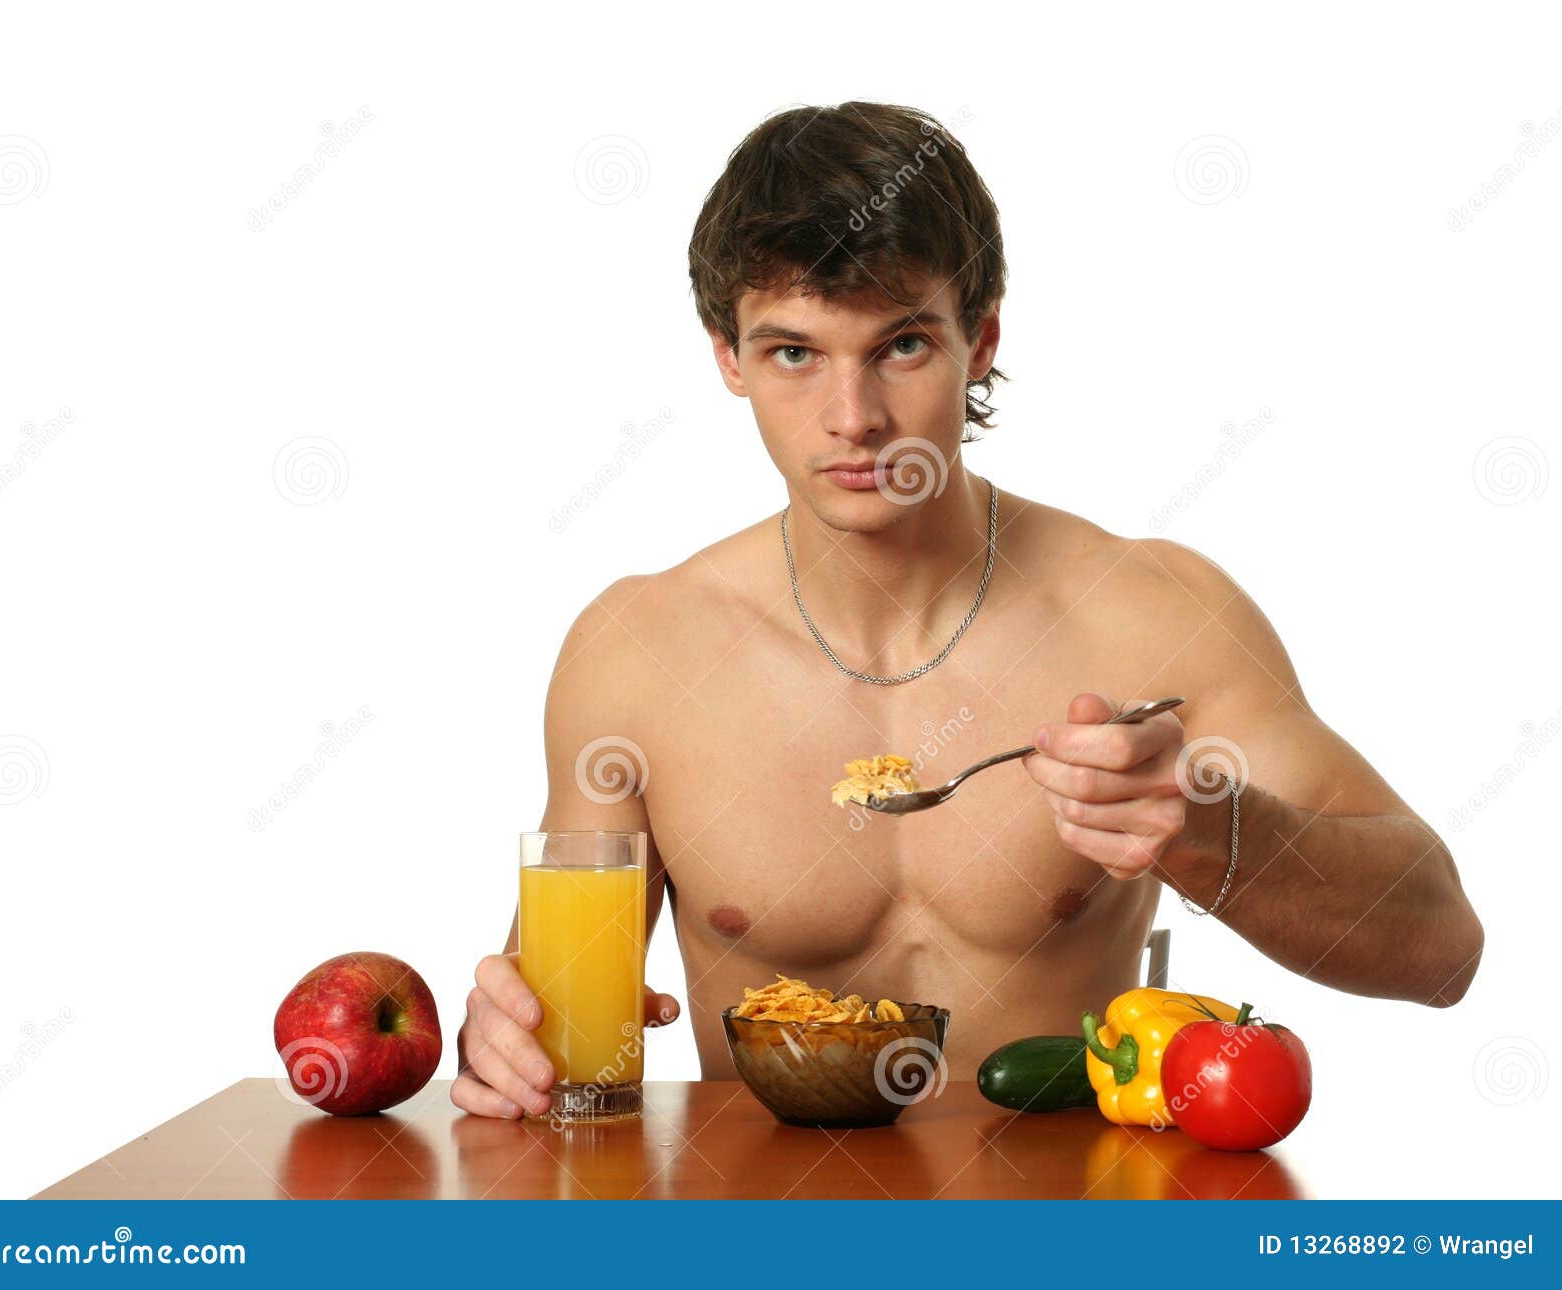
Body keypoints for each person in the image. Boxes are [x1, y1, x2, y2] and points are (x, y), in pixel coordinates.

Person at [452, 102, 1482, 1119]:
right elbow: (548, 1021)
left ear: (979, 338)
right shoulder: (637, 652)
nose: (852, 419)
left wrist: (1211, 829)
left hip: (1070, 1241)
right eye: (793, 354)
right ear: (727, 358)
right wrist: (504, 1040)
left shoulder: (1153, 614)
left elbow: (1441, 951)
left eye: (900, 346)